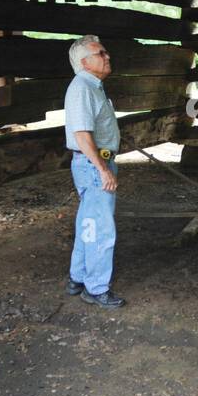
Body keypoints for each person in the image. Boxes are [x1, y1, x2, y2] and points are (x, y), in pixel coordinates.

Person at [63, 35, 126, 309]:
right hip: (93, 165)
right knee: (100, 229)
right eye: (101, 53)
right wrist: (103, 169)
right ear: (84, 62)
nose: (107, 56)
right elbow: (81, 134)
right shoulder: (82, 88)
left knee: (87, 223)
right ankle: (96, 288)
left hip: (94, 162)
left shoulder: (93, 86)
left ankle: (78, 278)